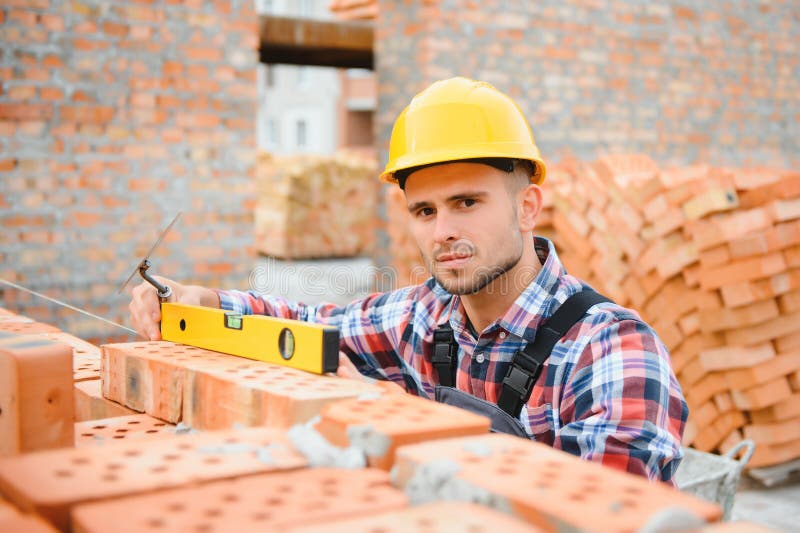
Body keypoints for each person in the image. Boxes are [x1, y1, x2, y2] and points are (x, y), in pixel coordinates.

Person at [130, 77, 688, 484]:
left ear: (527, 206)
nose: (443, 231)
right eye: (424, 211)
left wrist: (387, 416)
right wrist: (199, 301)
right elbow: (301, 323)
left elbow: (602, 514)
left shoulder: (611, 351)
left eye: (466, 202)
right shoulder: (423, 318)